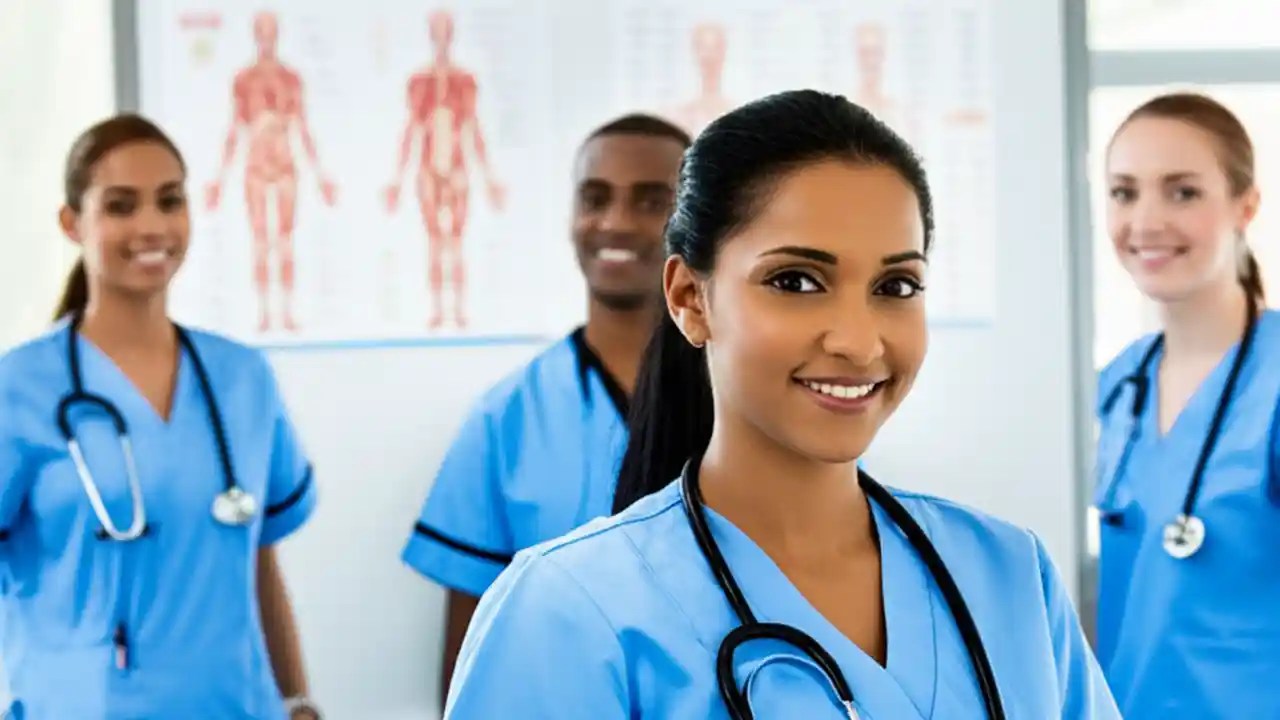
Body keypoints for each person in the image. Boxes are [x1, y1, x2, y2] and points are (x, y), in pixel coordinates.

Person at [441, 90, 1120, 718]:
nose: (857, 342)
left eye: (896, 285)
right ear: (689, 299)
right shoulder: (566, 610)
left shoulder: (1010, 578)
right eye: (796, 281)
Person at [0, 115, 321, 718]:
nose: (150, 225)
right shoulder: (18, 387)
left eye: (169, 201)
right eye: (121, 206)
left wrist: (297, 699)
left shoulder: (242, 378)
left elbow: (257, 560)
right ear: (73, 223)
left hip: (234, 706)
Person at [400, 113, 691, 706]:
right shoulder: (506, 419)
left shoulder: (748, 406)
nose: (616, 222)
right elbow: (468, 658)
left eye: (650, 200)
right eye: (595, 198)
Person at [1094, 92, 1280, 717]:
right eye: (1124, 192)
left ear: (1244, 205)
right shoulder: (1118, 385)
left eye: (1183, 192)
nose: (1146, 221)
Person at [206, 10, 338, 334]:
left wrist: (322, 176)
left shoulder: (291, 78)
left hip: (284, 162)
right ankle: (265, 313)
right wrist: (219, 181)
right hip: (255, 163)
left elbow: (303, 128)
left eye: (271, 31)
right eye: (261, 31)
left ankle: (287, 312)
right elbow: (235, 129)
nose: (266, 38)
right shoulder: (243, 80)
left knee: (285, 240)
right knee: (261, 241)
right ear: (255, 35)